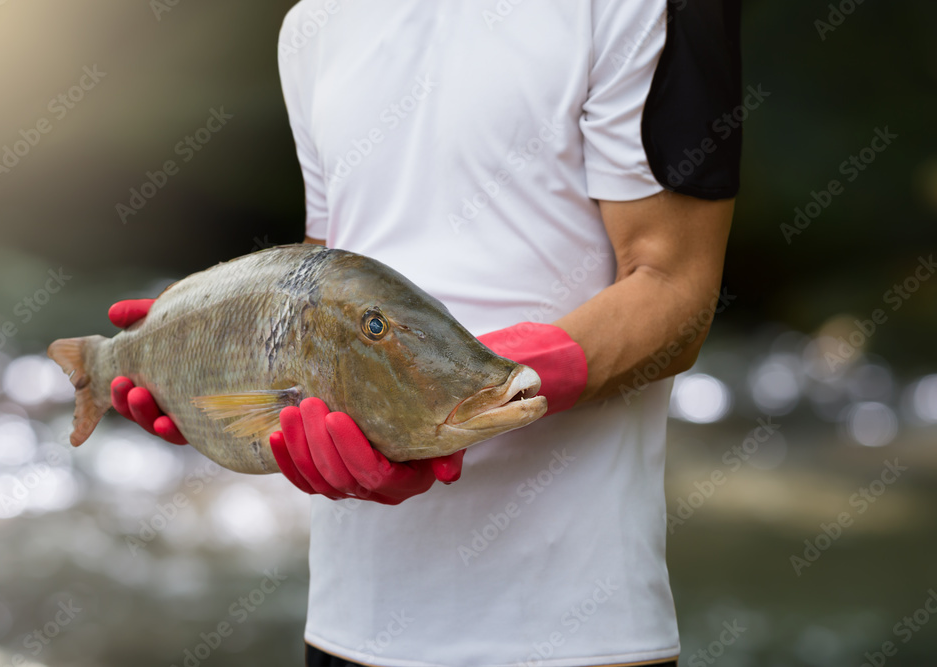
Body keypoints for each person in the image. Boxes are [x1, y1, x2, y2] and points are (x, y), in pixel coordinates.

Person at [110, 0, 741, 664]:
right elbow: (320, 282)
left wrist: (479, 389)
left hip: (577, 635)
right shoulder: (312, 25)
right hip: (347, 629)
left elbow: (676, 287)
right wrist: (213, 379)